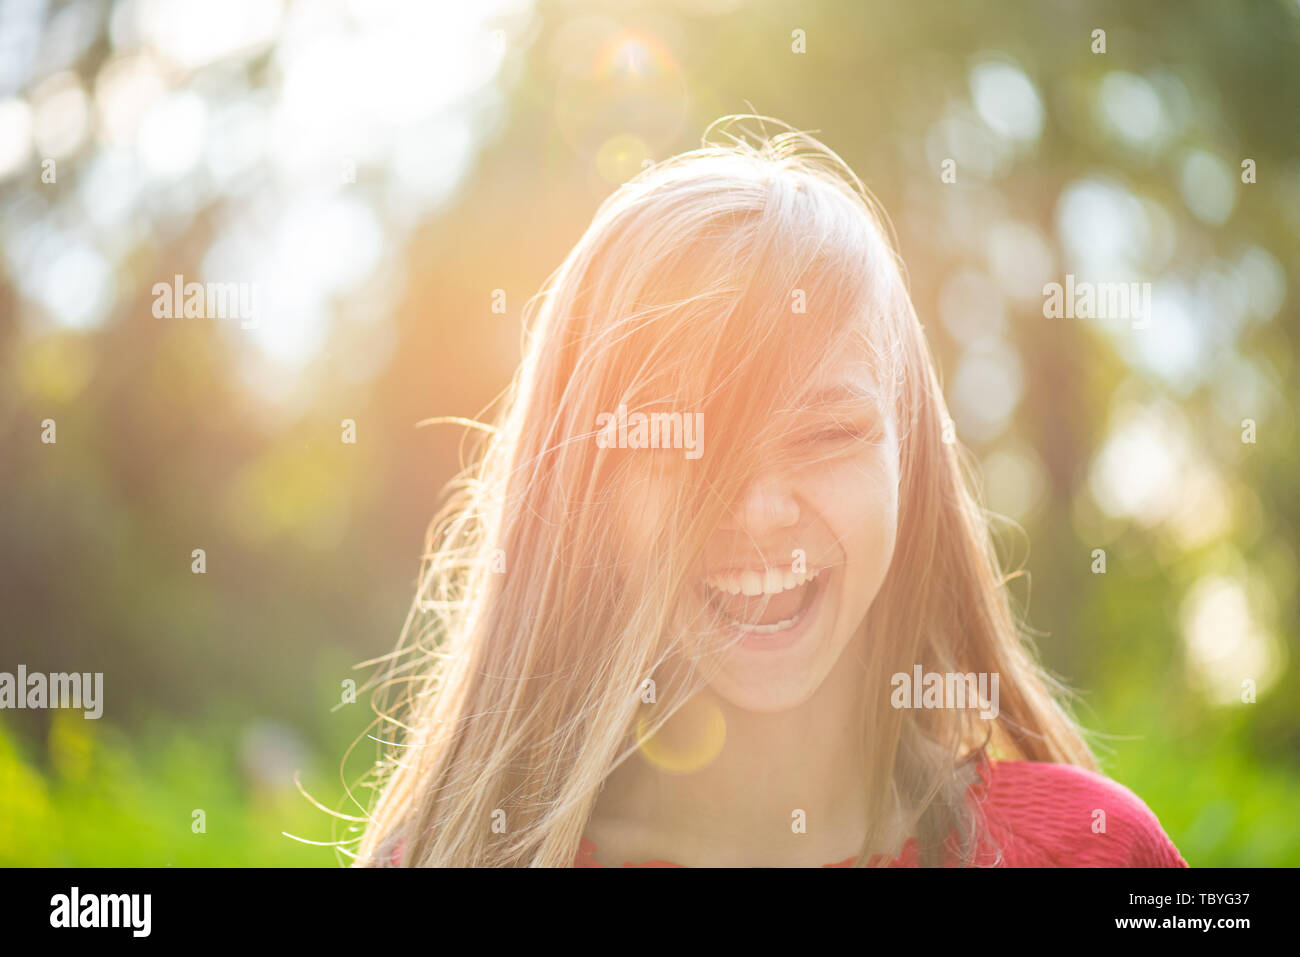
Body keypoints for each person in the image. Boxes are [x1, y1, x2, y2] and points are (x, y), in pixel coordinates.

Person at [352, 116, 1187, 868]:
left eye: (827, 434)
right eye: (688, 444)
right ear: (583, 493)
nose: (757, 509)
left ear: (912, 468)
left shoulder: (1092, 851)